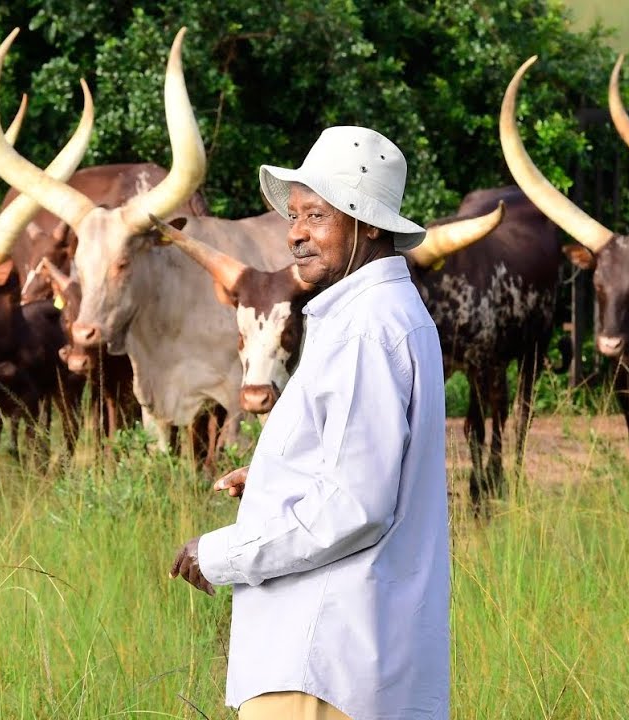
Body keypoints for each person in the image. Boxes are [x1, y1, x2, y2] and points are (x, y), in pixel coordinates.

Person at [169, 126, 450, 720]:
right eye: (294, 215)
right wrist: (276, 475)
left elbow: (355, 507)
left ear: (369, 225)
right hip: (357, 656)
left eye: (317, 215)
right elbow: (365, 463)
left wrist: (219, 555)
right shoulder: (387, 314)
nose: (295, 232)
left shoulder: (364, 330)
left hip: (321, 662)